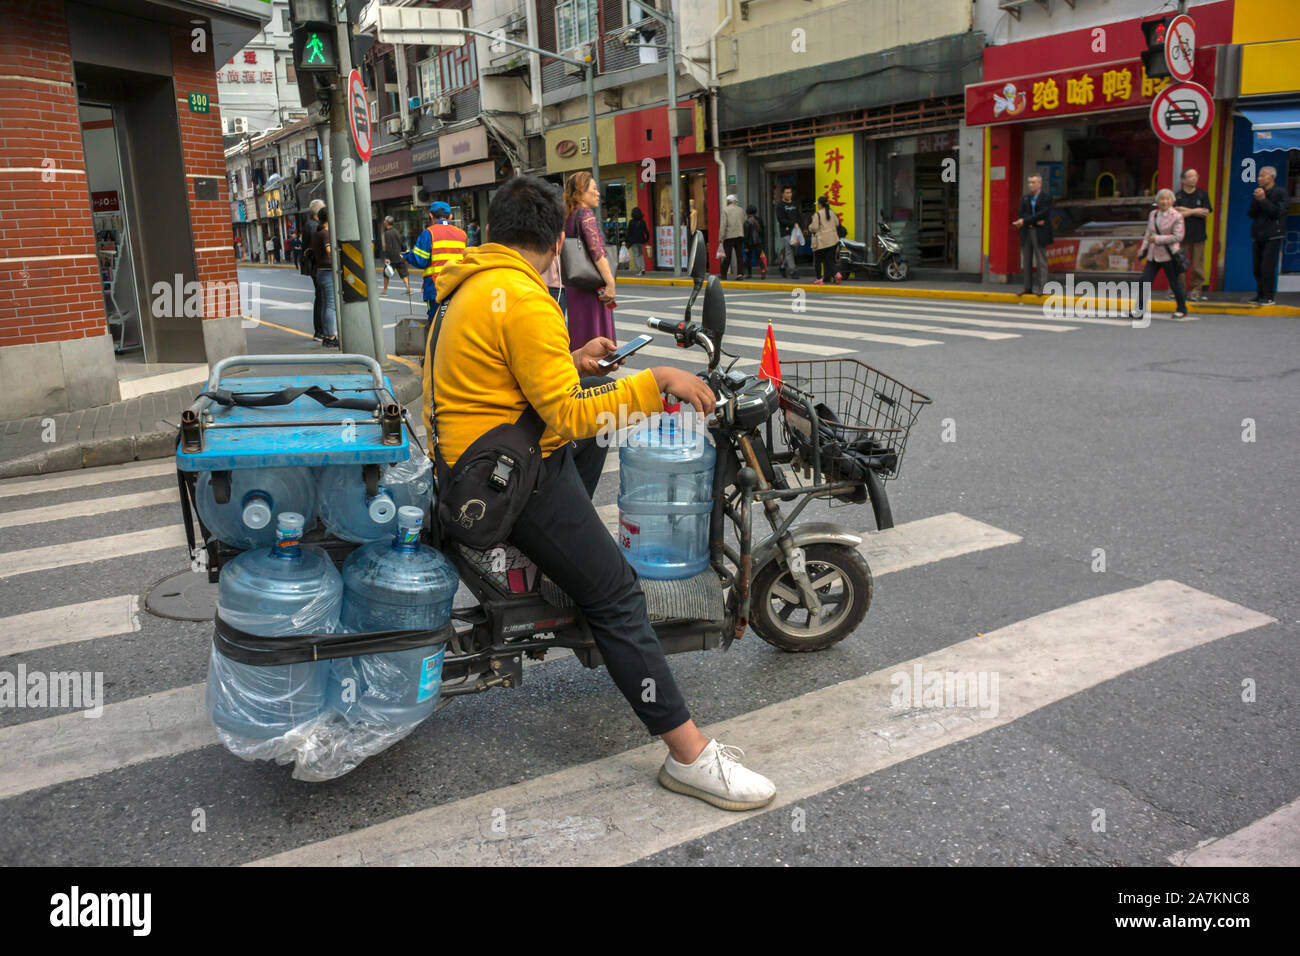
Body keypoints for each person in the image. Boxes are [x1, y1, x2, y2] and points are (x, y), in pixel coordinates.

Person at [425, 174, 777, 810]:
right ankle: (689, 756)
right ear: (555, 242)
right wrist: (658, 380)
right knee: (617, 592)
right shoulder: (523, 295)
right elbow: (567, 416)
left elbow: (515, 374)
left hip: (479, 459)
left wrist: (576, 357)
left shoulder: (476, 283)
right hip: (509, 481)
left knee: (596, 438)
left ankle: (571, 560)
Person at [563, 171, 616, 351]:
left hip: (575, 284)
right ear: (580, 192)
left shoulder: (568, 216)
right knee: (595, 329)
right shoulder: (585, 214)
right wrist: (610, 282)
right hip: (591, 284)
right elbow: (597, 252)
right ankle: (597, 367)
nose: (598, 193)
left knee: (580, 329)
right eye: (594, 188)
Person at [404, 201, 467, 323]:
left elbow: (420, 261)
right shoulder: (462, 234)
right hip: (458, 287)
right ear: (450, 217)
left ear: (431, 216)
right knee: (455, 323)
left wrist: (407, 256)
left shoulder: (428, 233)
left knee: (436, 325)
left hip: (435, 287)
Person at [1134, 189, 1188, 319]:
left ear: (1172, 201)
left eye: (1167, 199)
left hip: (1169, 255)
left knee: (1174, 283)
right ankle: (1139, 310)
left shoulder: (1177, 216)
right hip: (1153, 255)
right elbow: (1148, 232)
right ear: (1157, 201)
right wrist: (1143, 248)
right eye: (1161, 199)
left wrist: (1157, 239)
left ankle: (1181, 309)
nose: (1164, 201)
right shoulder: (1153, 214)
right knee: (1144, 281)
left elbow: (1178, 237)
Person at [1247, 165, 1286, 306]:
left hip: (1273, 234)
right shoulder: (1258, 192)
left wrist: (1263, 200)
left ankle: (1269, 296)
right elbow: (1251, 213)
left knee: (1267, 267)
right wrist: (1258, 199)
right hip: (1258, 234)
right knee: (1256, 267)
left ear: (1271, 177)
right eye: (1259, 176)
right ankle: (1260, 294)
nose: (1259, 178)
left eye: (1263, 176)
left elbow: (1277, 213)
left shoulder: (1280, 193)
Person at [1173, 168, 1212, 302]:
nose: (1194, 179)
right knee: (1180, 264)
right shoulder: (1178, 196)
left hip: (1198, 235)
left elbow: (1205, 212)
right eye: (1190, 176)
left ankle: (1196, 290)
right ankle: (1180, 289)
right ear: (1183, 180)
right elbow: (1176, 213)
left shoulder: (1202, 194)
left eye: (1196, 176)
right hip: (1181, 235)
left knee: (1197, 265)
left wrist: (1186, 210)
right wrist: (1195, 211)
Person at [1013, 174, 1052, 295]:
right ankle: (1027, 287)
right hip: (1027, 232)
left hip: (1040, 232)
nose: (1031, 185)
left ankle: (1043, 287)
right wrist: (1031, 220)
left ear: (1040, 184)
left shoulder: (1046, 197)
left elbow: (1043, 214)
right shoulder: (1025, 198)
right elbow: (1021, 214)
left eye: (1033, 182)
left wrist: (1025, 220)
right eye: (1029, 182)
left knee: (1041, 260)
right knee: (1026, 260)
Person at [310, 207, 339, 347]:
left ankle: (326, 334)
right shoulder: (325, 234)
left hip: (320, 272)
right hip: (328, 272)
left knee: (325, 305)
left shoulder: (317, 233)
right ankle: (331, 336)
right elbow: (329, 251)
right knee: (331, 306)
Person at [808, 194, 842, 285]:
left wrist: (809, 227)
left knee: (818, 261)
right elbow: (837, 224)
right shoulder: (832, 213)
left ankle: (819, 279)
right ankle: (837, 274)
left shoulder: (817, 214)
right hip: (833, 240)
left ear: (820, 204)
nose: (817, 206)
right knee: (830, 260)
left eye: (818, 204)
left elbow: (814, 228)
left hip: (821, 242)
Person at [305, 199, 325, 341]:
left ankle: (321, 330)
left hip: (314, 266)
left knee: (321, 297)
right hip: (316, 266)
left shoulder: (312, 225)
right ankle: (320, 331)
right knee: (322, 298)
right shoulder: (314, 227)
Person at [775, 186, 803, 280]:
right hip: (785, 232)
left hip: (796, 232)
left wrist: (803, 227)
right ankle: (793, 271)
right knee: (789, 251)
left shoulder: (795, 204)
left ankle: (783, 266)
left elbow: (799, 216)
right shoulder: (780, 205)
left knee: (794, 250)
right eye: (787, 193)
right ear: (783, 194)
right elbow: (780, 219)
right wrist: (792, 224)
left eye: (790, 192)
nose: (789, 194)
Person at [380, 215, 411, 297]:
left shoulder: (387, 233)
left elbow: (389, 246)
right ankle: (408, 288)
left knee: (386, 273)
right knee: (403, 273)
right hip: (399, 255)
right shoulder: (396, 232)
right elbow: (401, 242)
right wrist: (405, 250)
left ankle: (384, 290)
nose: (384, 222)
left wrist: (387, 257)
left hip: (392, 257)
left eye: (384, 221)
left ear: (386, 223)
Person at [720, 194, 746, 281]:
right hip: (739, 235)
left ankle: (723, 274)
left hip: (729, 235)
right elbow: (744, 221)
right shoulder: (741, 210)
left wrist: (721, 237)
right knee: (739, 255)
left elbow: (723, 224)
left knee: (727, 255)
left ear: (728, 202)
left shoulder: (725, 210)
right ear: (735, 201)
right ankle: (740, 274)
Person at [625, 206, 650, 276]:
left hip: (633, 242)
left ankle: (640, 270)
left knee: (636, 255)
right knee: (641, 255)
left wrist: (626, 241)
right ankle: (643, 269)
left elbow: (628, 232)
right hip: (641, 241)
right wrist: (647, 239)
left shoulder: (631, 222)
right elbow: (646, 231)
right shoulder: (642, 222)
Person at [743, 204, 766, 279]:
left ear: (747, 212)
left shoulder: (746, 222)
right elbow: (762, 231)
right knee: (758, 258)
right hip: (759, 242)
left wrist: (746, 245)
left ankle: (749, 273)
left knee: (748, 258)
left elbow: (746, 235)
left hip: (749, 243)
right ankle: (762, 271)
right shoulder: (759, 219)